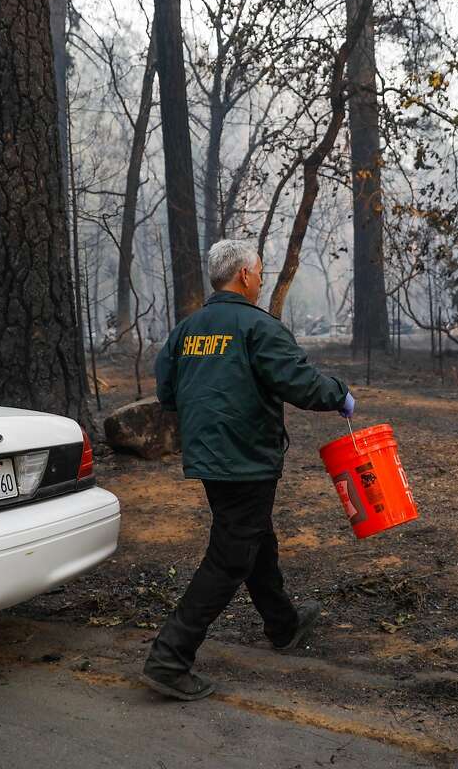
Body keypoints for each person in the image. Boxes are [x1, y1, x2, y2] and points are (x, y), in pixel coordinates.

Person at [141, 239, 354, 701]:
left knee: (254, 537)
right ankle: (169, 657)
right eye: (258, 271)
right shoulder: (259, 326)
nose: (260, 278)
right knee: (231, 554)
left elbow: (167, 392)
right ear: (244, 276)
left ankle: (283, 625)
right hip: (247, 459)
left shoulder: (187, 330)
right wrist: (339, 394)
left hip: (210, 457)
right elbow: (299, 382)